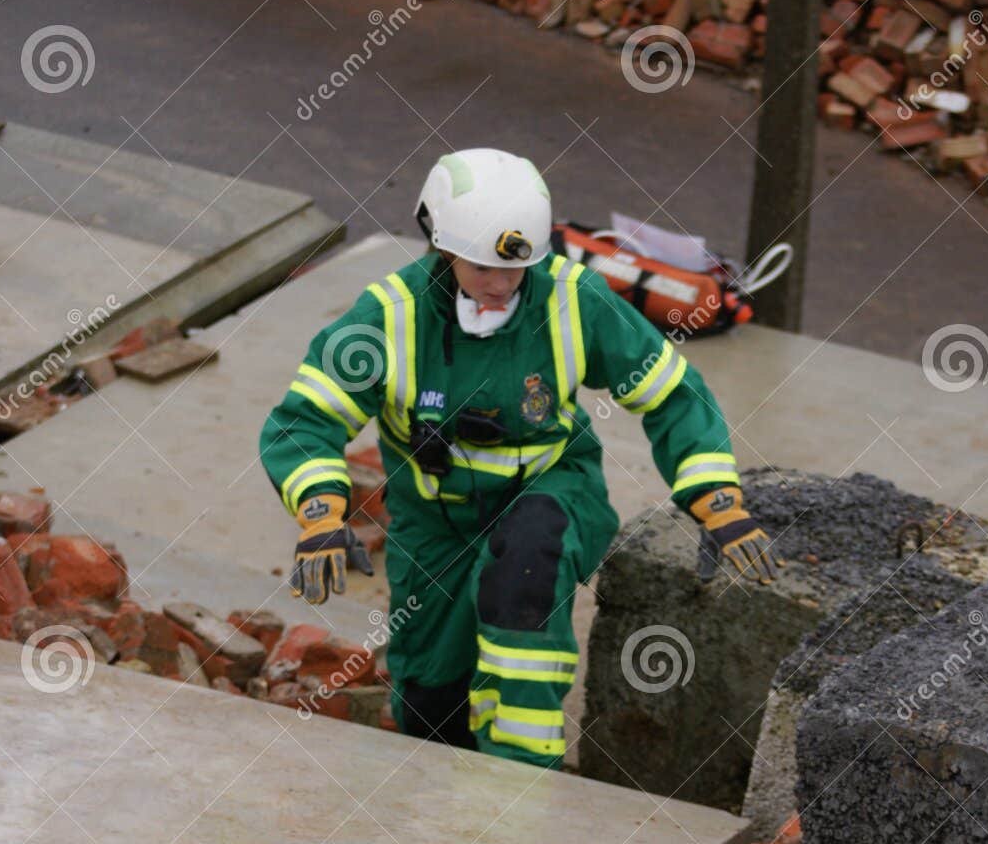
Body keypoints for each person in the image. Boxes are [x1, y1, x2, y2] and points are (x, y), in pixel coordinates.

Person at [259, 147, 779, 767]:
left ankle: (520, 789)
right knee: (431, 698)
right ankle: (440, 806)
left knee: (522, 582)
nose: (504, 283)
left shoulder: (572, 298)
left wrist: (716, 498)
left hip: (553, 493)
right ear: (440, 242)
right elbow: (306, 421)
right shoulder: (387, 319)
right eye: (483, 267)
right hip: (435, 523)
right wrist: (320, 511)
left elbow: (673, 394)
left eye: (518, 267)